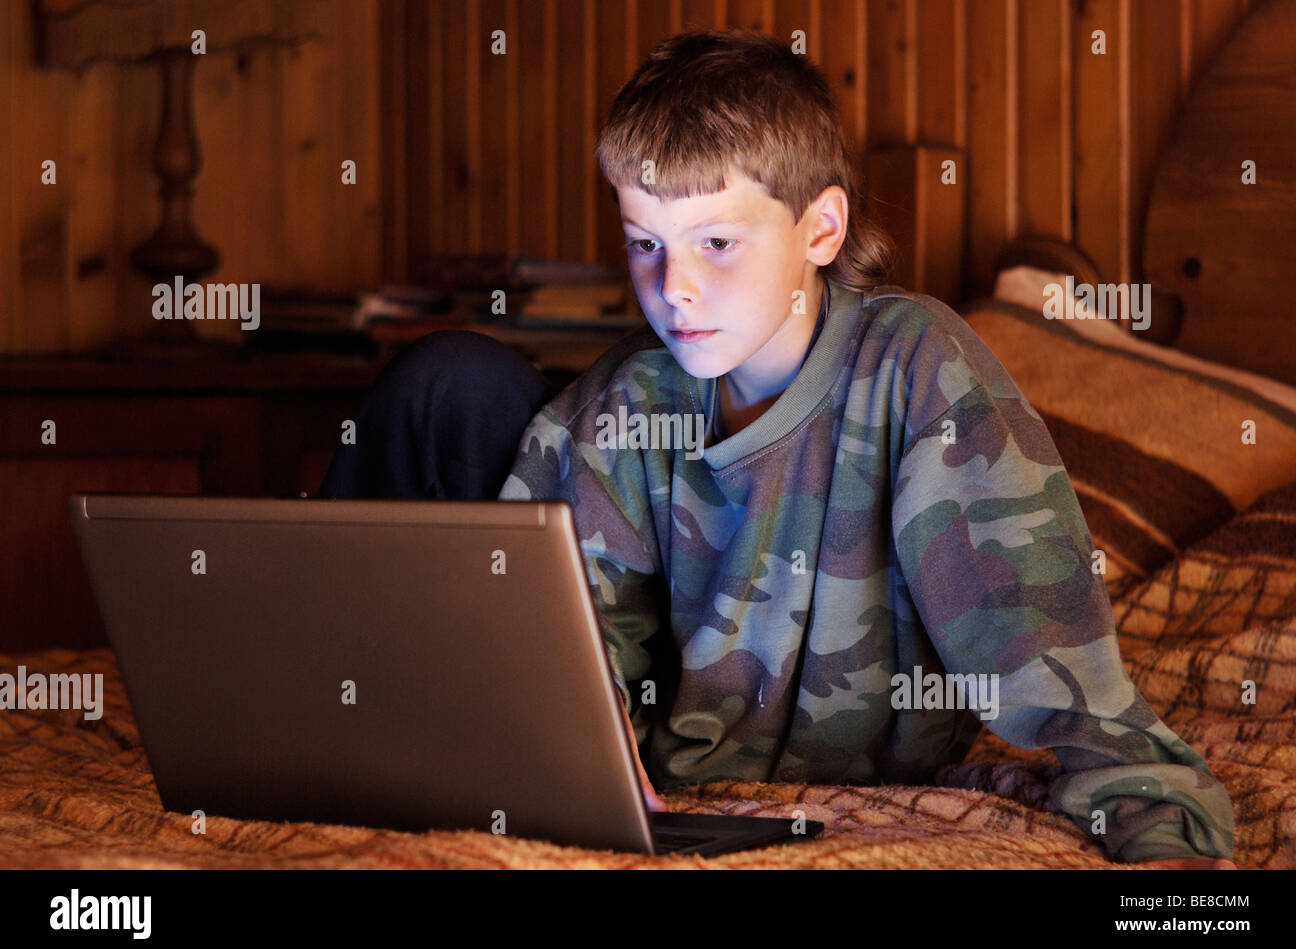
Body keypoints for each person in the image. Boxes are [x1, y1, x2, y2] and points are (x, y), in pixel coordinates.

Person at [323, 29, 1235, 869]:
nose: (673, 287)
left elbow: (1075, 693)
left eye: (717, 241)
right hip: (683, 809)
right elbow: (560, 668)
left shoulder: (918, 370)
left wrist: (1175, 877)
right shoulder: (623, 403)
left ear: (821, 229)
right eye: (645, 243)